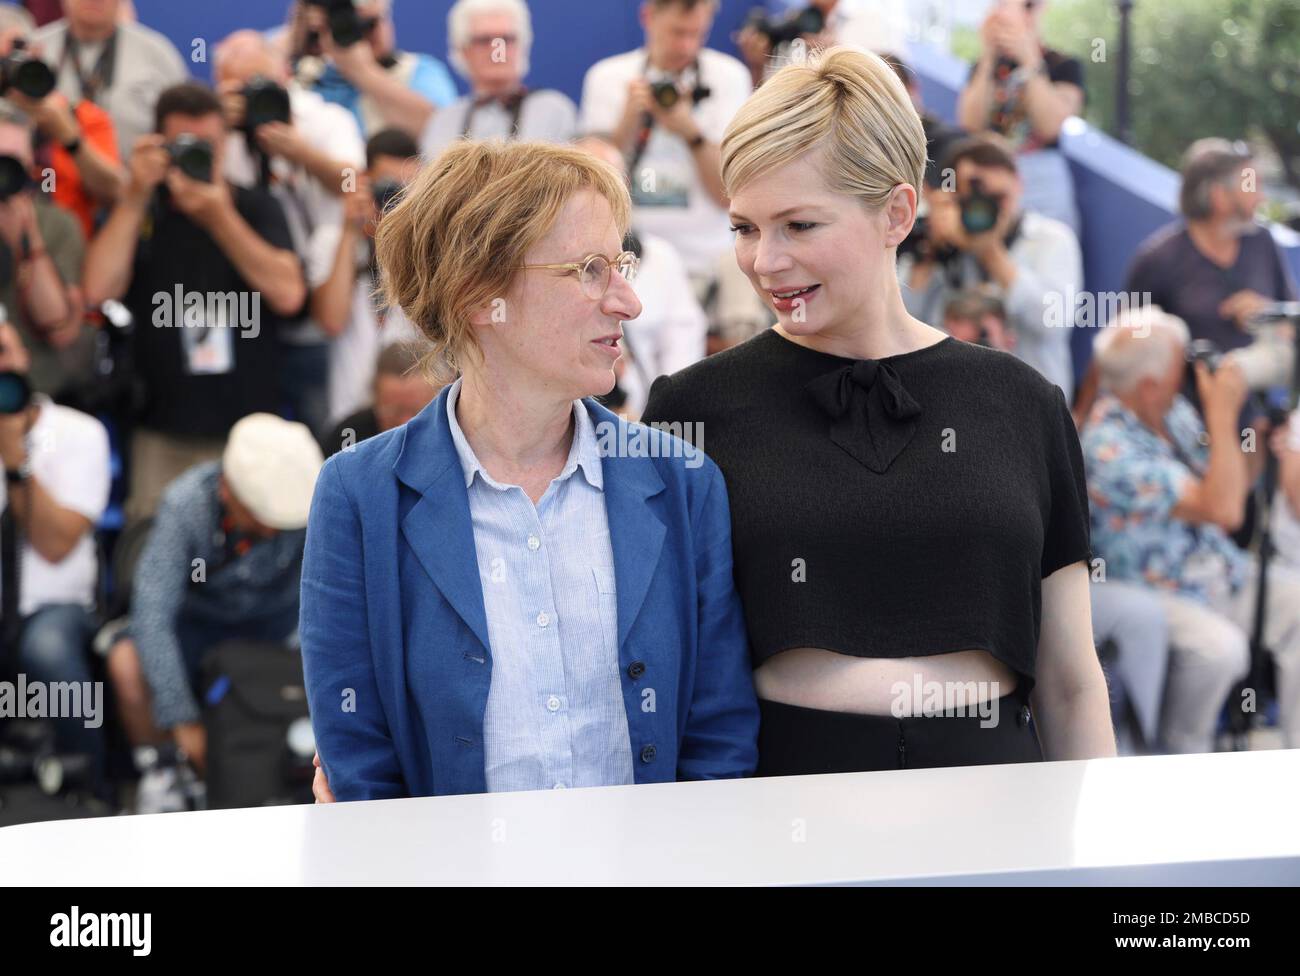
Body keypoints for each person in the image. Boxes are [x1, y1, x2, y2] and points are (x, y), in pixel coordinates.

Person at [641, 47, 1114, 776]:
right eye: (744, 228)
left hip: (998, 804)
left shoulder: (1024, 403)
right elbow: (658, 670)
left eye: (798, 226)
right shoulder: (692, 406)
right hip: (777, 812)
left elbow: (1073, 684)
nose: (764, 261)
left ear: (897, 211)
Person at [302, 139, 758, 801]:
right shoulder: (359, 496)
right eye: (591, 269)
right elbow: (361, 766)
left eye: (622, 263)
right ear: (480, 294)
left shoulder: (684, 483)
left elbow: (718, 742)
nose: (628, 302)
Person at [82, 82, 307, 524]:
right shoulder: (142, 210)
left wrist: (219, 216)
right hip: (161, 429)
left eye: (209, 146)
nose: (199, 157)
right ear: (158, 145)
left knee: (255, 555)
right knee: (152, 549)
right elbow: (96, 291)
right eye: (185, 147)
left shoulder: (255, 206)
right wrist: (134, 196)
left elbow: (289, 294)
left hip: (249, 429)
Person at [1082, 306, 1300, 752]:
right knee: (1220, 650)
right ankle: (1182, 753)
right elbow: (1223, 512)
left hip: (1219, 574)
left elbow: (1228, 490)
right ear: (1148, 386)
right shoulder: (1105, 447)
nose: (1190, 373)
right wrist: (1223, 415)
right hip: (1159, 589)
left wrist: (1254, 441)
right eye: (1180, 364)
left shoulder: (1172, 412)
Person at [105, 412, 323, 775]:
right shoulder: (185, 504)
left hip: (276, 636)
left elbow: (324, 599)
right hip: (196, 633)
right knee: (126, 662)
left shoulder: (313, 504)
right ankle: (163, 773)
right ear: (227, 489)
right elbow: (153, 610)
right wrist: (182, 720)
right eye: (258, 516)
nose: (270, 530)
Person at [215, 28, 367, 436]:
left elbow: (356, 185)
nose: (251, 97)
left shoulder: (325, 119)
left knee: (322, 430)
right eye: (237, 88)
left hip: (321, 307)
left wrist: (299, 152)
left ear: (283, 73)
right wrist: (218, 129)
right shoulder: (221, 135)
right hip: (251, 310)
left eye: (258, 84)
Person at [0, 321, 110, 791]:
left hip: (57, 606)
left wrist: (16, 461)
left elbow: (55, 543)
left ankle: (94, 788)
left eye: (3, 351)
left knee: (48, 651)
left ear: (24, 355)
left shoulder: (78, 432)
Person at [579, 0, 751, 295]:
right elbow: (591, 188)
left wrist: (690, 132)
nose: (686, 47)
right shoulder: (607, 78)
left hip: (708, 260)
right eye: (677, 33)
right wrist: (627, 125)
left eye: (697, 34)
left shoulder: (729, 77)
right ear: (647, 17)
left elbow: (729, 194)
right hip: (631, 261)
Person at [900, 132, 1081, 398]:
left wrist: (989, 252)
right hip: (954, 401)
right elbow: (903, 317)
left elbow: (1053, 322)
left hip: (1032, 407)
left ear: (1019, 184)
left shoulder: (1053, 240)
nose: (989, 212)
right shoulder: (946, 241)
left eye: (999, 199)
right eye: (975, 201)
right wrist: (929, 251)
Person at [1126, 139, 1298, 393]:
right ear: (1219, 195)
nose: (1261, 197)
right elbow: (1126, 346)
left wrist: (1266, 314)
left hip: (1255, 422)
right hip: (1185, 421)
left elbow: (1293, 323)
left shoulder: (1262, 242)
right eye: (1251, 185)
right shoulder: (1158, 259)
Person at [574, 133, 706, 418]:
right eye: (588, 185)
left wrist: (661, 418)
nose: (600, 198)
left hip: (649, 420)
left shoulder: (661, 257)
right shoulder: (550, 266)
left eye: (611, 184)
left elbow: (682, 354)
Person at [309, 127, 421, 431]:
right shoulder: (332, 240)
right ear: (364, 182)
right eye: (387, 187)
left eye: (407, 188)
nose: (395, 199)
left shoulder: (428, 248)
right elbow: (331, 320)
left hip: (413, 416)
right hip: (349, 413)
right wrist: (350, 229)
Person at [955, 0, 1083, 233]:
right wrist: (988, 57)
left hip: (1043, 184)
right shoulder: (984, 67)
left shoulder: (1064, 66)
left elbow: (1050, 126)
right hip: (991, 178)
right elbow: (970, 123)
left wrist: (1030, 60)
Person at [0, 26, 126, 239]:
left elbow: (117, 194)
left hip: (66, 250)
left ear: (37, 53)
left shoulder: (82, 117)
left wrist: (70, 137)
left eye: (20, 52)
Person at [0, 107, 86, 398]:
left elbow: (60, 327)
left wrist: (29, 238)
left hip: (37, 396)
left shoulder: (57, 225)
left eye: (13, 163)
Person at [33, 0, 189, 158]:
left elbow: (185, 128)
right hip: (49, 178)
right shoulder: (35, 50)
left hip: (135, 178)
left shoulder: (157, 55)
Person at [421, 0, 576, 160]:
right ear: (463, 50)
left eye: (507, 39)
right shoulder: (444, 120)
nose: (497, 50)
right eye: (484, 40)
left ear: (523, 45)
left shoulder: (553, 110)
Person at [286, 0, 457, 139]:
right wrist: (301, 29)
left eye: (369, 24)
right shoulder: (310, 76)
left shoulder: (418, 70)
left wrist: (362, 71)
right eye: (350, 24)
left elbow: (440, 132)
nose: (361, 33)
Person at [319, 341, 441, 459]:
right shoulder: (349, 434)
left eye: (417, 412)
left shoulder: (451, 435)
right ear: (376, 399)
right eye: (394, 412)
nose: (405, 423)